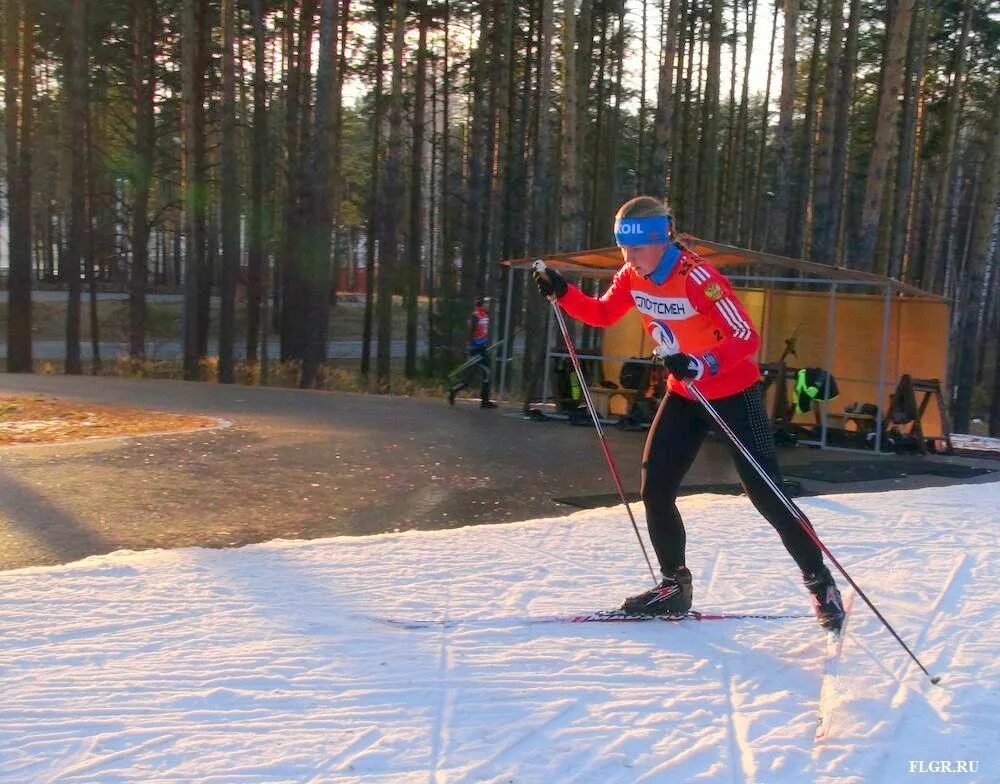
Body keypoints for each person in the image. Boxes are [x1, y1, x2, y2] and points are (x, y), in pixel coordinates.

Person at [532, 195, 844, 631]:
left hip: (733, 394)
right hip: (685, 394)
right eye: (623, 249)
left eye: (636, 249)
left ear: (661, 241)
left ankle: (820, 582)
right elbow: (601, 314)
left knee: (766, 494)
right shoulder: (632, 276)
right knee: (655, 486)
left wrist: (703, 363)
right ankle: (674, 586)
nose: (628, 259)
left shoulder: (698, 277)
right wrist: (563, 292)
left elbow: (745, 335)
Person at [448, 297, 497, 409]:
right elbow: (470, 332)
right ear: (481, 305)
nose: (489, 306)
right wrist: (468, 349)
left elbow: (483, 332)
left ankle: (485, 401)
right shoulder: (475, 316)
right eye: (487, 303)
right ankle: (454, 390)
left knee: (487, 373)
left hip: (482, 348)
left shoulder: (485, 315)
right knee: (471, 377)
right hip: (475, 349)